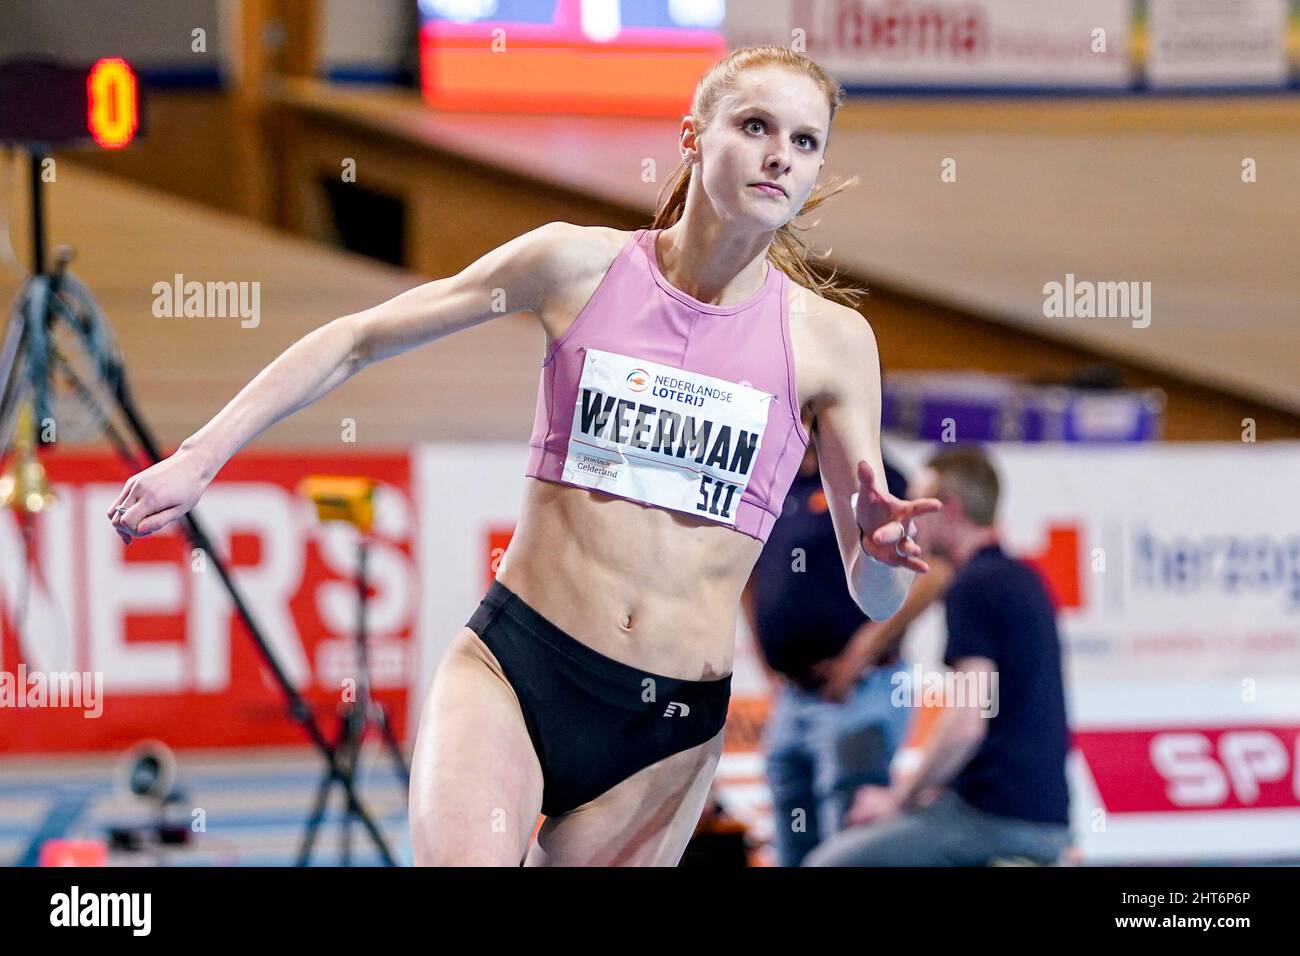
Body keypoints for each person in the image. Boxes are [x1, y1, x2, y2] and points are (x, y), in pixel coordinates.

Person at [105, 45, 941, 867]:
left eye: (804, 142)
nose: (778, 157)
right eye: (755, 125)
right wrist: (200, 456)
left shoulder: (831, 341)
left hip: (666, 731)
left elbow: (876, 599)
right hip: (518, 669)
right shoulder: (577, 265)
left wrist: (880, 554)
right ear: (692, 135)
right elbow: (359, 340)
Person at [804, 446, 1072, 867]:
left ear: (950, 508)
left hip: (993, 820)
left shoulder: (974, 585)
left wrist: (897, 799)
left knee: (828, 863)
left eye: (917, 503)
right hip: (1045, 818)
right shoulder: (1023, 578)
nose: (906, 520)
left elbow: (966, 724)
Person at [743, 425, 953, 866]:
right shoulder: (777, 478)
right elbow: (748, 568)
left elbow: (934, 570)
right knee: (791, 844)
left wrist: (860, 652)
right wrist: (765, 656)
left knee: (851, 846)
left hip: (860, 692)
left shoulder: (876, 479)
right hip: (793, 698)